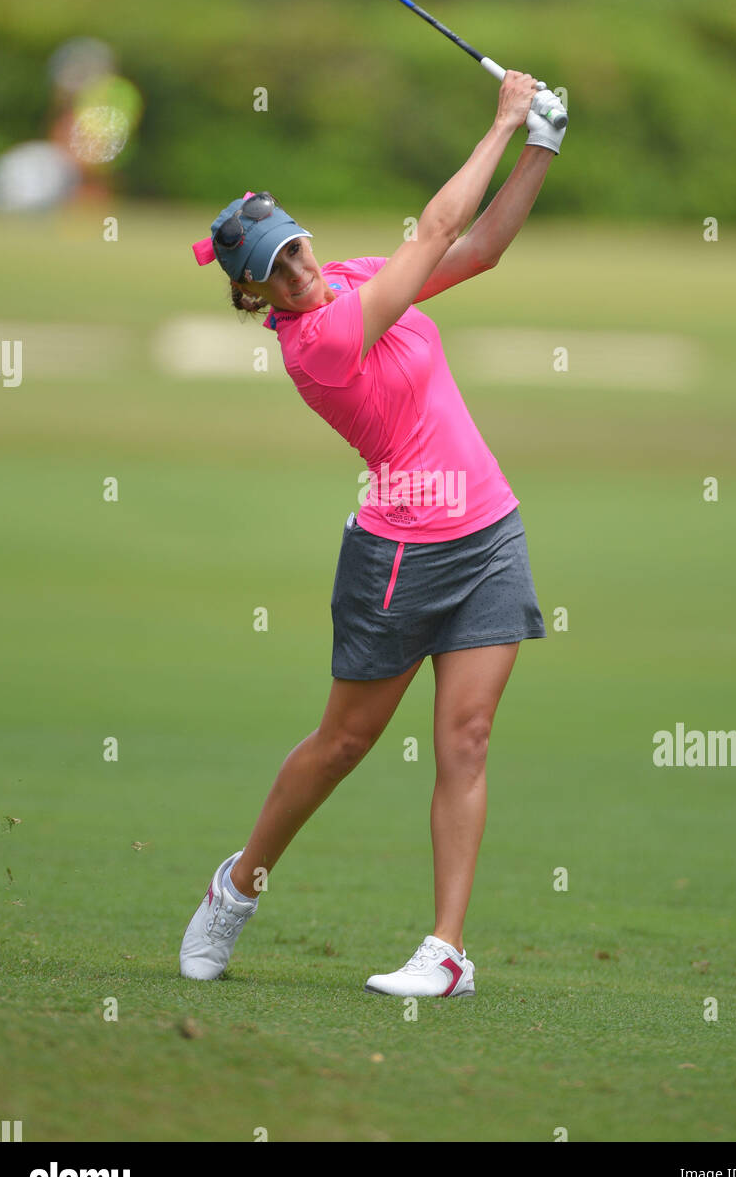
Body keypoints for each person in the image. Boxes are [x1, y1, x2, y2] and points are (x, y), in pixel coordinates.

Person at [183, 72, 567, 996]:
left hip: (488, 532)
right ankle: (236, 889)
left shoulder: (350, 276)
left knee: (466, 740)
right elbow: (434, 230)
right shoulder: (314, 344)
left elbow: (473, 251)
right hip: (399, 555)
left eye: (294, 249)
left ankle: (446, 952)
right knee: (344, 744)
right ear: (250, 297)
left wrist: (541, 149)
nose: (296, 270)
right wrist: (504, 119)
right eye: (272, 270)